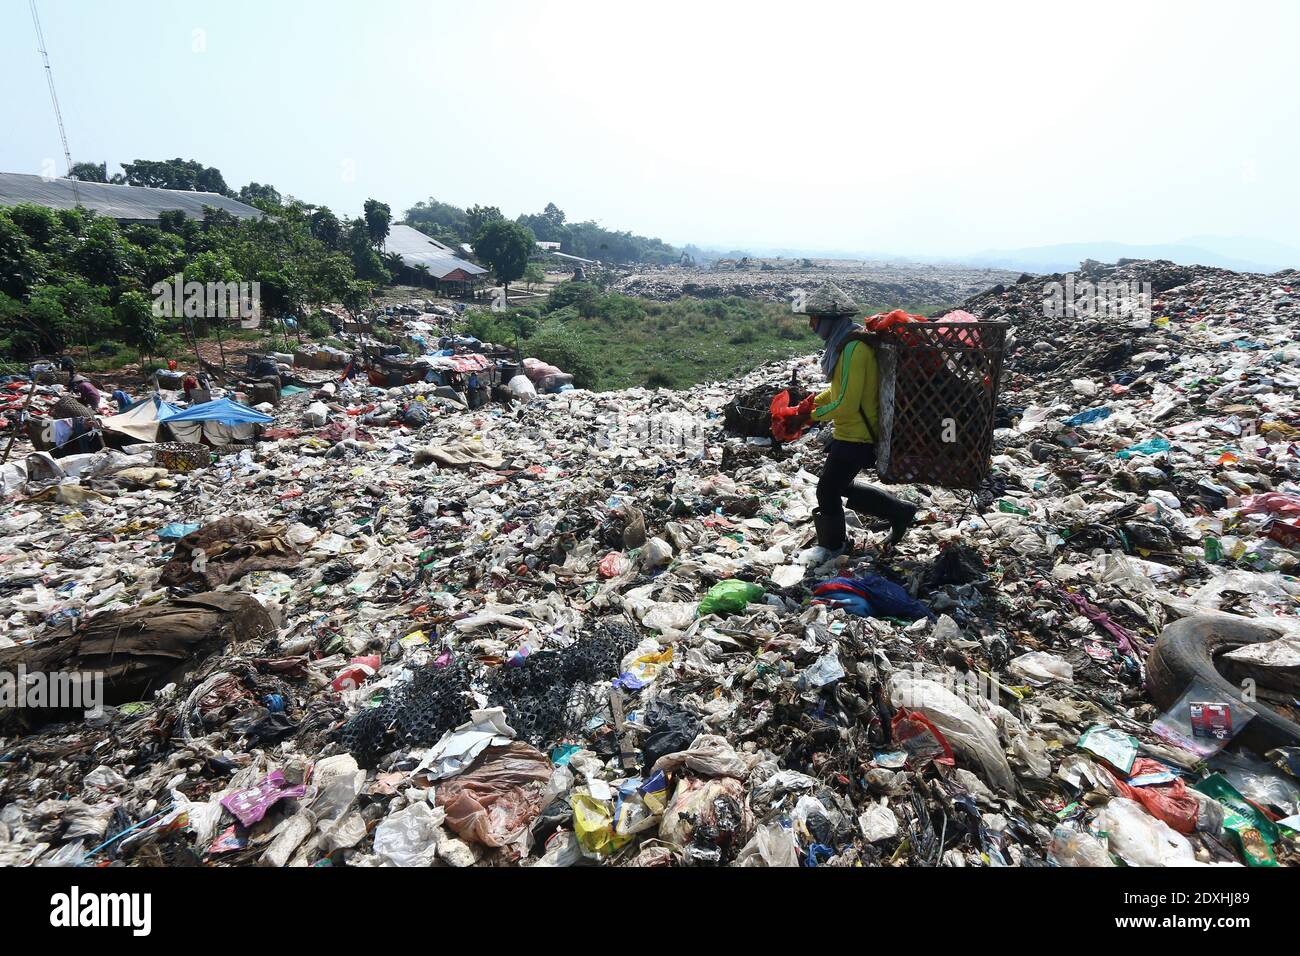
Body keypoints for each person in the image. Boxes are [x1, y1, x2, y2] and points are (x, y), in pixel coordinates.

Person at [788, 282, 917, 556]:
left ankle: (834, 549)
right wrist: (808, 404)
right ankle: (901, 511)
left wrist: (809, 417)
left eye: (814, 319)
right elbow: (838, 391)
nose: (812, 326)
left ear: (829, 320)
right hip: (848, 433)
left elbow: (846, 404)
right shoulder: (843, 343)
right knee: (839, 485)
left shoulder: (853, 349)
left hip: (856, 435)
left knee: (826, 491)